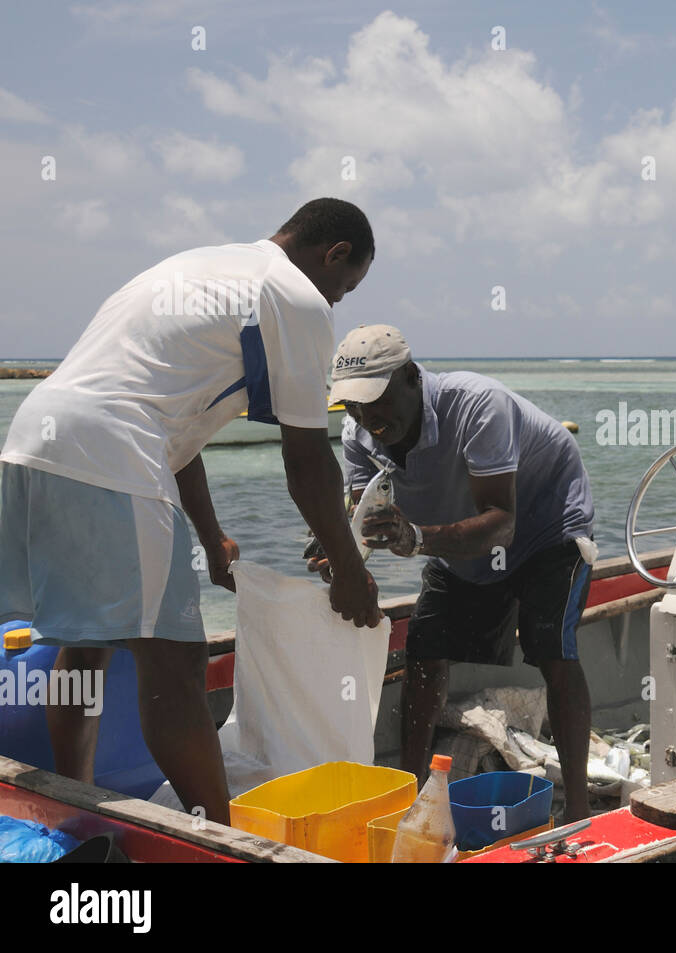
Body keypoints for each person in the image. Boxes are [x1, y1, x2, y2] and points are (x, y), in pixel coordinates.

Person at [0, 198, 383, 825]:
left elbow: (177, 437)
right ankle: (221, 840)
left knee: (84, 641)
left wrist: (211, 538)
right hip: (111, 452)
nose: (335, 303)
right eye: (343, 289)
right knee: (174, 661)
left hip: (34, 442)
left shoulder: (199, 267)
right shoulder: (295, 295)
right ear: (333, 254)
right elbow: (308, 459)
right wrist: (347, 567)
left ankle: (75, 811)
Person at [307, 325, 598, 821]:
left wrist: (415, 538)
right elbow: (364, 516)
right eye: (353, 407)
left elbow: (501, 524)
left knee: (552, 647)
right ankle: (413, 797)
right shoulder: (359, 434)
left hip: (545, 528)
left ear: (411, 377)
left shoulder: (477, 404)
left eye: (376, 402)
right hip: (456, 534)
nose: (368, 418)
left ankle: (579, 803)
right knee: (424, 648)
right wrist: (341, 547)